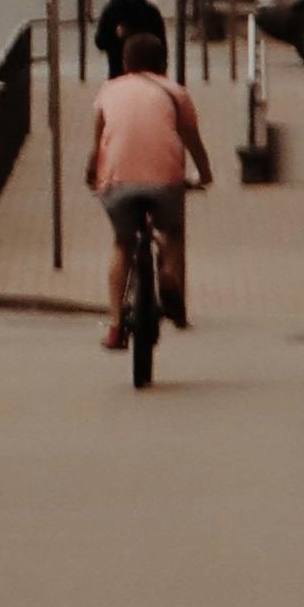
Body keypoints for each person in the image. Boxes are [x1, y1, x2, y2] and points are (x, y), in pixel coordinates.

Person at [85, 23, 208, 370]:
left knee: (122, 244)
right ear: (163, 64)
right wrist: (205, 175)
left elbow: (98, 142)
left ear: (125, 63)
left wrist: (94, 174)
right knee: (172, 231)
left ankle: (113, 326)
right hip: (165, 180)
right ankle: (170, 279)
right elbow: (191, 139)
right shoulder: (175, 92)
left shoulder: (108, 90)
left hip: (117, 181)